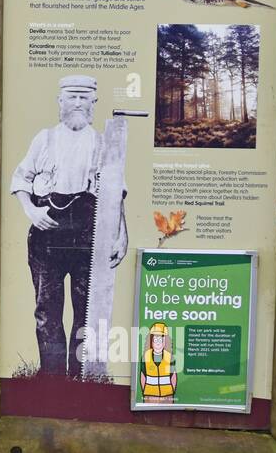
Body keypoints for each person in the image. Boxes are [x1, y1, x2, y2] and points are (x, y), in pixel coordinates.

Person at [11, 75, 127, 377]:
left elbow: (116, 193)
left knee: (85, 311)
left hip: (88, 235)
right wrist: (31, 210)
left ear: (94, 102)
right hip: (46, 237)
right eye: (72, 97)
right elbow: (21, 179)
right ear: (60, 101)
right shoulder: (44, 138)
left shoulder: (103, 143)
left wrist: (121, 236)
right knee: (47, 311)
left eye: (84, 97)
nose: (77, 103)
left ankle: (80, 377)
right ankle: (51, 380)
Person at [140, 321, 177, 403]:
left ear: (165, 341)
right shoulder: (145, 356)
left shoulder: (170, 357)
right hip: (150, 396)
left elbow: (173, 377)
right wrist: (146, 393)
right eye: (155, 339)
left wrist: (170, 393)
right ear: (151, 340)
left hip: (167, 396)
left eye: (160, 339)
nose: (157, 343)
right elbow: (143, 376)